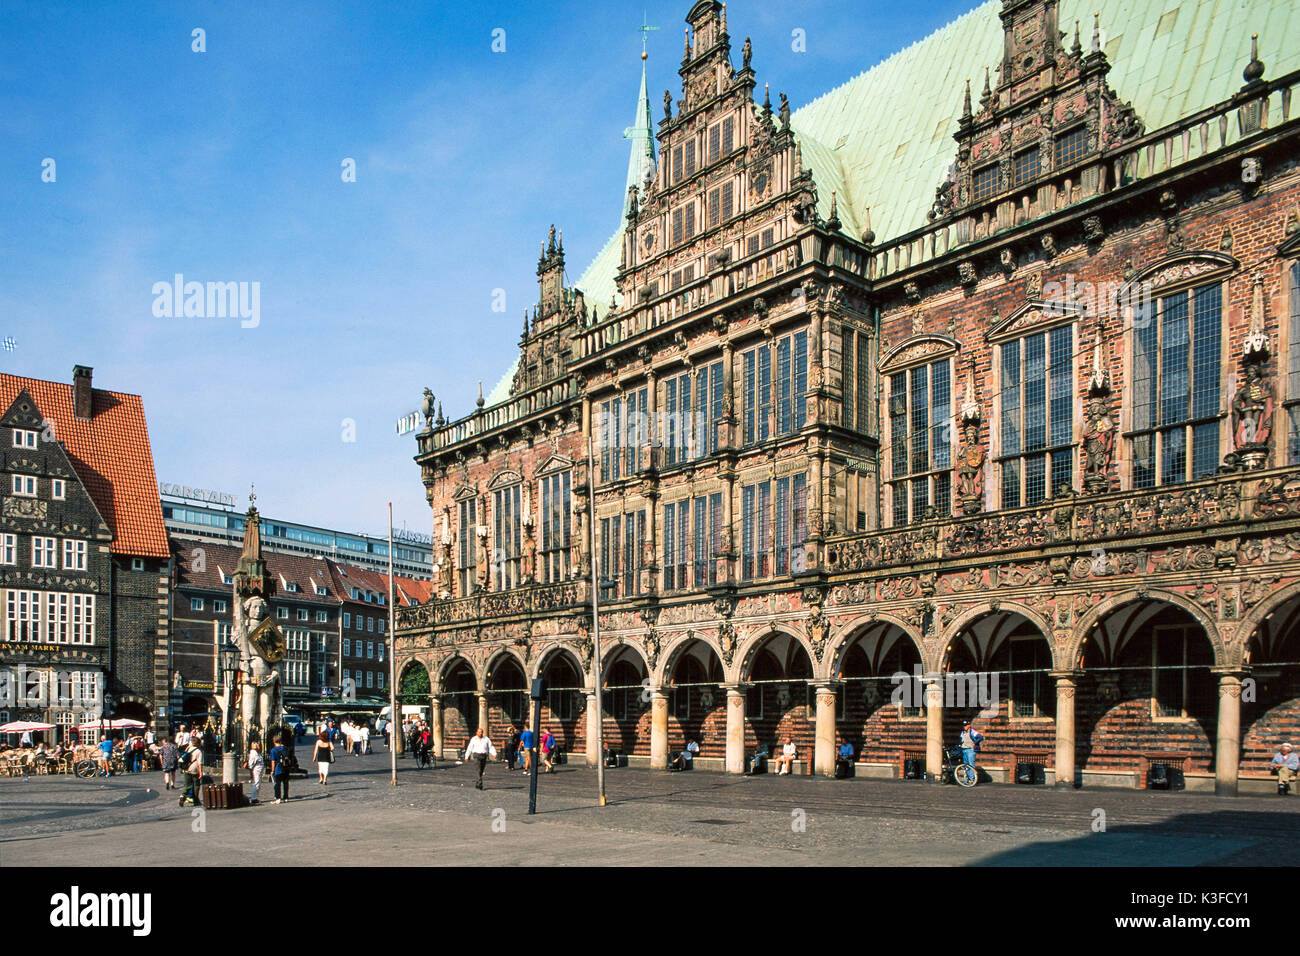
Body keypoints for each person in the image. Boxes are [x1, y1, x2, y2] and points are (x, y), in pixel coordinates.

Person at [178, 738, 203, 807]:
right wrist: (201, 772)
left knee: (187, 785)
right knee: (196, 785)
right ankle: (196, 800)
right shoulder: (198, 751)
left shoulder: (188, 749)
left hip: (187, 768)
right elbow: (199, 763)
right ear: (198, 743)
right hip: (194, 769)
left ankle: (183, 796)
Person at [269, 734, 291, 804]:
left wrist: (272, 770)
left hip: (278, 768)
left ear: (274, 741)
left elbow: (273, 761)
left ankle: (278, 797)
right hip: (286, 767)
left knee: (277, 784)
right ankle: (286, 797)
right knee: (285, 783)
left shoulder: (273, 750)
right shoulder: (285, 748)